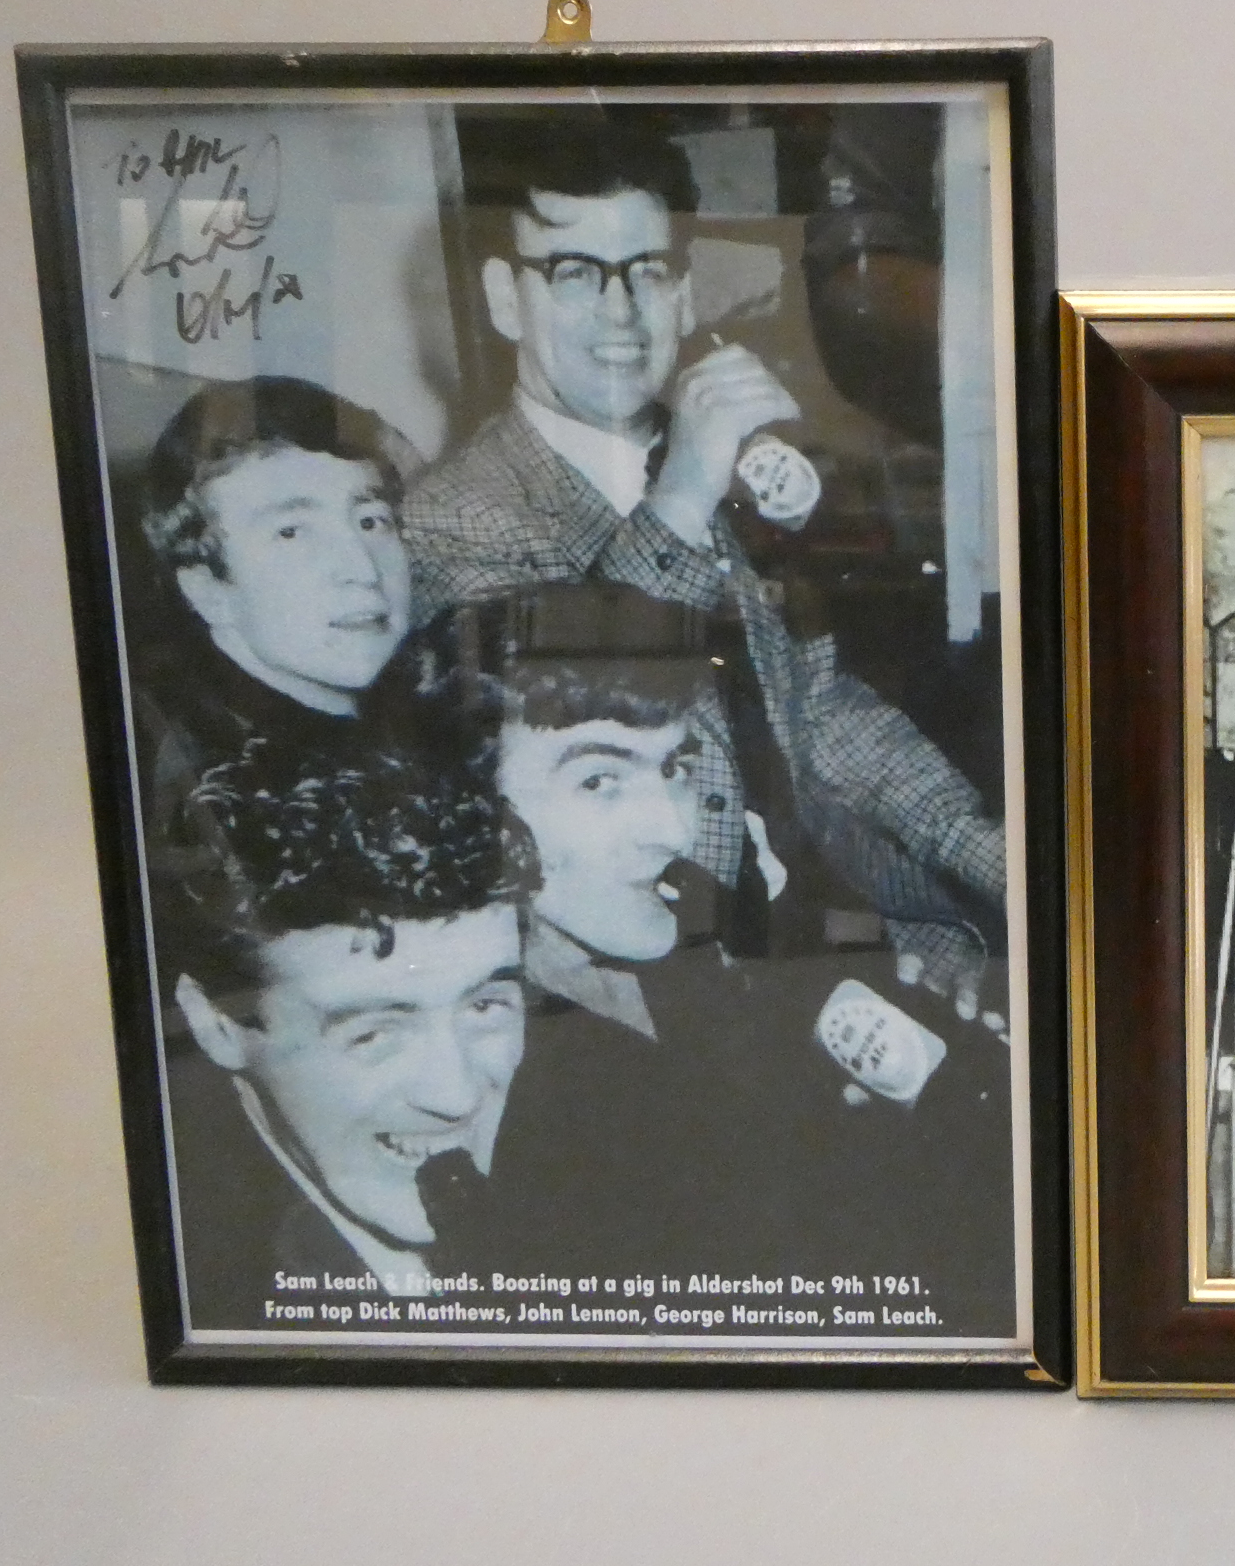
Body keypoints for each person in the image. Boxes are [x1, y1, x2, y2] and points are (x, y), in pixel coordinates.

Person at [399, 113, 1004, 1013]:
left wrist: (984, 862)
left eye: (647, 271)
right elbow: (572, 703)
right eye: (573, 272)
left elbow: (818, 713)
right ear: (501, 297)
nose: (621, 311)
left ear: (683, 295)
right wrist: (682, 494)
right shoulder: (450, 519)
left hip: (790, 960)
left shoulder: (702, 470)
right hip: (617, 1009)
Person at [366, 583, 1016, 1333]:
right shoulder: (490, 1093)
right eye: (599, 780)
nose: (672, 829)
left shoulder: (685, 922)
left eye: (674, 765)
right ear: (469, 815)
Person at [160, 741, 525, 1329]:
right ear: (218, 1024)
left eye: (485, 1006)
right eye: (375, 1033)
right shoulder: (202, 1288)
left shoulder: (590, 1181)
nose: (457, 1097)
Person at [130, 376, 418, 886]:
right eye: (292, 532)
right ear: (208, 591)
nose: (362, 569)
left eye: (371, 522)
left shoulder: (424, 717)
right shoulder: (202, 804)